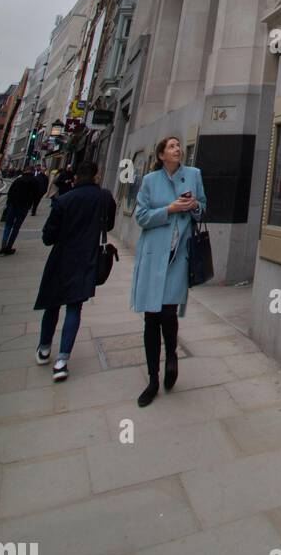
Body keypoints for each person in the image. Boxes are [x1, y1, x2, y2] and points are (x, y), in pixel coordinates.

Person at [130, 135, 206, 408]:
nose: (177, 150)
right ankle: (152, 379)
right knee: (151, 317)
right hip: (154, 256)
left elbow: (203, 209)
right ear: (161, 154)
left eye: (178, 146)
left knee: (168, 313)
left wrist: (194, 206)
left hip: (178, 257)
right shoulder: (150, 182)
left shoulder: (194, 175)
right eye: (172, 147)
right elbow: (141, 217)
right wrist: (170, 209)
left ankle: (171, 354)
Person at [33, 159, 117, 381]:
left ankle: (44, 348)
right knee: (74, 308)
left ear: (76, 177)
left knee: (52, 306)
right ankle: (62, 360)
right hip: (86, 258)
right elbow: (108, 225)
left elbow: (47, 237)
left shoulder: (63, 201)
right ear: (97, 175)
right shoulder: (104, 197)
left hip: (61, 257)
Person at [0, 168, 38, 254]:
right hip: (24, 207)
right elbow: (36, 195)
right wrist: (30, 205)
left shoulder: (18, 180)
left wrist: (9, 203)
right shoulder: (34, 181)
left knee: (8, 226)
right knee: (16, 227)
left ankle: (3, 246)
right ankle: (9, 247)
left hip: (13, 205)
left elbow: (10, 193)